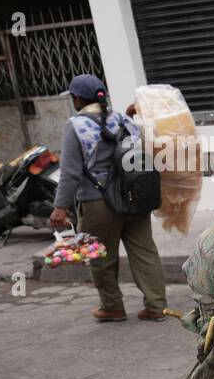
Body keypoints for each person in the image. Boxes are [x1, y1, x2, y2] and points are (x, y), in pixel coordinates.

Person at [49, 74, 168, 323]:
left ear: (78, 99)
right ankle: (157, 307)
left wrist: (60, 207)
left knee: (100, 255)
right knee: (145, 252)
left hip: (98, 202)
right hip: (135, 196)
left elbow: (70, 172)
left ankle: (112, 306)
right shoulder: (123, 120)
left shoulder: (76, 126)